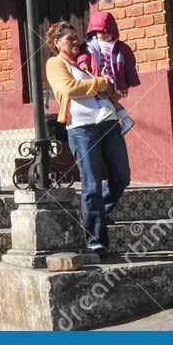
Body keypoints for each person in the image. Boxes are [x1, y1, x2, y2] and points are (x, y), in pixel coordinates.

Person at [45, 20, 130, 257]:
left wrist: (104, 83)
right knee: (91, 183)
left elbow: (109, 87)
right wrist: (100, 83)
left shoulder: (88, 62)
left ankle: (95, 214)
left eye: (77, 38)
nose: (75, 42)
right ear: (56, 43)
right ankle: (96, 240)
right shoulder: (55, 63)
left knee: (121, 177)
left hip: (109, 123)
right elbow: (69, 88)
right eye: (69, 38)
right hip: (82, 128)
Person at [78, 9, 141, 98]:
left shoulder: (121, 48)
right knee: (101, 100)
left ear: (113, 30)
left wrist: (131, 80)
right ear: (95, 32)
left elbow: (130, 64)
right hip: (97, 79)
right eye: (101, 32)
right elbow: (84, 53)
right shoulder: (90, 44)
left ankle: (118, 111)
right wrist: (83, 61)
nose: (105, 34)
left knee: (114, 101)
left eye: (108, 31)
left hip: (114, 82)